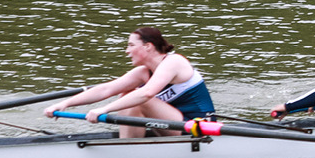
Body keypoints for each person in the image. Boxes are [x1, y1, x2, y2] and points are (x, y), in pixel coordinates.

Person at [43, 26, 214, 139]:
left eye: (131, 45)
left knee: (139, 98)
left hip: (196, 127)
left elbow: (146, 93)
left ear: (148, 46)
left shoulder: (174, 62)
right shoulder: (143, 72)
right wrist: (64, 104)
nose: (127, 51)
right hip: (171, 125)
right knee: (125, 93)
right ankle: (128, 144)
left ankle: (128, 149)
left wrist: (105, 109)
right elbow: (106, 89)